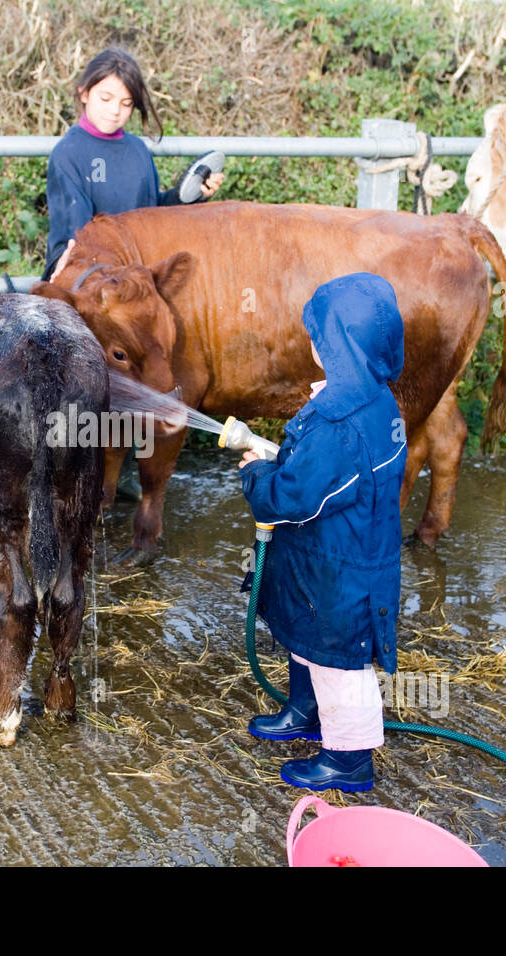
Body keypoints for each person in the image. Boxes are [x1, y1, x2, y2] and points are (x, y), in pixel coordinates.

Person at [238, 273, 408, 793]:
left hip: (343, 570)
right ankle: (305, 710)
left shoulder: (340, 422)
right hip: (323, 560)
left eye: (320, 334)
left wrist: (257, 476)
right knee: (304, 636)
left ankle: (348, 759)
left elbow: (290, 498)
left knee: (339, 660)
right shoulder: (374, 400)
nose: (312, 341)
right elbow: (325, 477)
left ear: (334, 347)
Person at [42, 46, 225, 282]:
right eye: (105, 98)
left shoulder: (138, 149)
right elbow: (74, 235)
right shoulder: (68, 153)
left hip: (141, 275)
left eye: (126, 103)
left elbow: (152, 212)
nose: (114, 110)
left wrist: (188, 196)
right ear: (84, 93)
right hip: (92, 282)